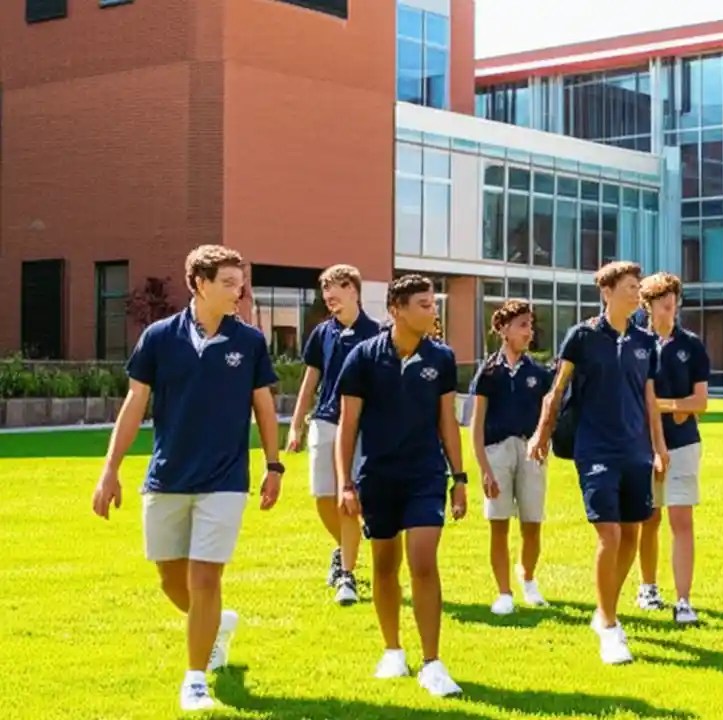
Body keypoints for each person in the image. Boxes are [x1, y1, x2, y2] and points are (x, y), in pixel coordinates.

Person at [91, 244, 283, 712]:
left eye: (241, 284)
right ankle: (219, 623)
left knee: (204, 580)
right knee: (169, 578)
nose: (239, 293)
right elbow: (135, 404)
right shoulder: (159, 337)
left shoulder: (250, 342)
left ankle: (195, 679)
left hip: (225, 479)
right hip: (167, 476)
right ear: (200, 283)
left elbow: (263, 407)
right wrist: (110, 469)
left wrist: (273, 465)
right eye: (229, 283)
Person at [529, 260, 669, 665]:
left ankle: (605, 605)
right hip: (596, 450)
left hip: (636, 449)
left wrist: (659, 447)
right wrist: (541, 433)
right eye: (629, 286)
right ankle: (609, 626)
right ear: (606, 292)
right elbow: (556, 392)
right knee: (608, 535)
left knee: (631, 535)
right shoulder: (582, 337)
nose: (636, 292)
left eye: (637, 286)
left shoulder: (645, 341)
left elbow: (649, 398)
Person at [335, 274, 466, 697]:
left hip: (426, 475)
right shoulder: (362, 358)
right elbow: (347, 425)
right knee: (385, 567)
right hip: (378, 477)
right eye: (425, 304)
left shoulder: (442, 359)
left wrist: (459, 478)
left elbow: (448, 421)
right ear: (397, 309)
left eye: (433, 303)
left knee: (424, 561)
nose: (433, 311)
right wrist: (345, 484)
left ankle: (432, 661)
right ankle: (392, 650)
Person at [286, 264, 380, 606]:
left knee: (347, 499)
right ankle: (345, 548)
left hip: (361, 427)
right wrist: (296, 425)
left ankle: (347, 576)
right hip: (324, 422)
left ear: (353, 290)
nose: (330, 300)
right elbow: (310, 381)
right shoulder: (322, 333)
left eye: (335, 293)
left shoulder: (376, 334)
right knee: (322, 498)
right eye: (326, 295)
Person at [634, 272, 710, 624]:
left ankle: (684, 601)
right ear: (647, 303)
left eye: (674, 296)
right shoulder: (635, 343)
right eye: (663, 297)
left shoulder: (691, 345)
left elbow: (701, 402)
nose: (671, 303)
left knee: (682, 518)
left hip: (683, 445)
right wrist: (675, 406)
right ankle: (648, 587)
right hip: (640, 445)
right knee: (648, 519)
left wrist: (664, 406)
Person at [470, 299, 553, 615]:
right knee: (499, 524)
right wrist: (484, 468)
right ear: (503, 330)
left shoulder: (539, 373)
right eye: (522, 325)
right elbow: (476, 426)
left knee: (532, 524)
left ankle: (528, 580)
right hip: (497, 452)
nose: (528, 332)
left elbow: (549, 415)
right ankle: (504, 592)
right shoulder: (488, 373)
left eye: (530, 325)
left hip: (531, 452)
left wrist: (542, 441)